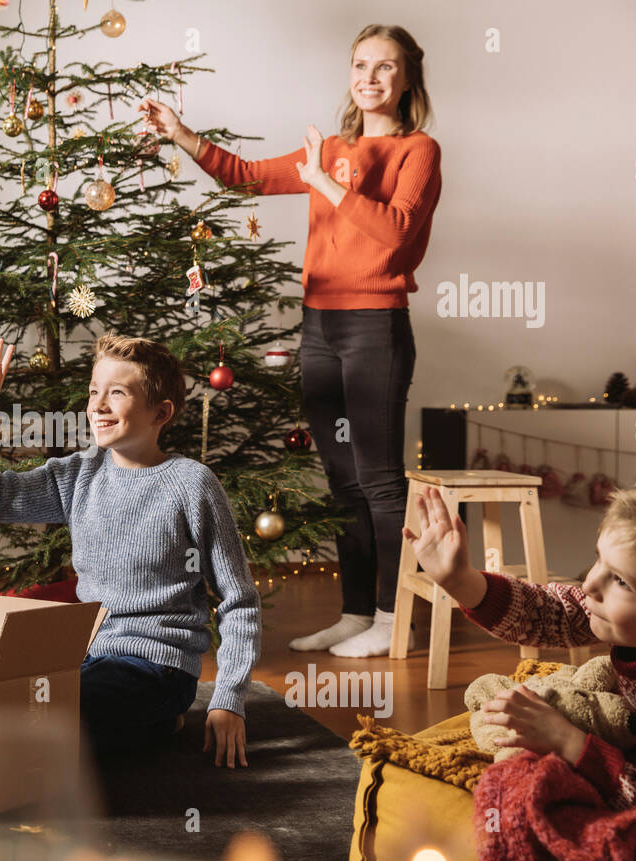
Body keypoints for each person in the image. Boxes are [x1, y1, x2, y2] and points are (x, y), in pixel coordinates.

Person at [140, 23, 442, 657]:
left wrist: (328, 180)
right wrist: (181, 133)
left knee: (381, 481)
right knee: (342, 482)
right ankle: (358, 613)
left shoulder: (419, 151)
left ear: (408, 77)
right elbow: (244, 176)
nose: (370, 77)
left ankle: (397, 621)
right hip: (321, 325)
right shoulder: (329, 147)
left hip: (376, 327)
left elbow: (394, 233)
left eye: (385, 67)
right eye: (361, 64)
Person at [0, 335, 259, 768]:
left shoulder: (192, 484)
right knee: (4, 702)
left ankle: (150, 717)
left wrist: (228, 698)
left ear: (161, 413)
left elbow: (239, 599)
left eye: (117, 392)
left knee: (41, 722)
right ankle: (149, 727)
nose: (97, 405)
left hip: (159, 667)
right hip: (88, 657)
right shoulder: (80, 474)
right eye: (94, 390)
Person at [406, 479, 636, 822]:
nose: (588, 584)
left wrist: (567, 741)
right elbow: (548, 610)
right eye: (598, 559)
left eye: (621, 581)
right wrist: (461, 581)